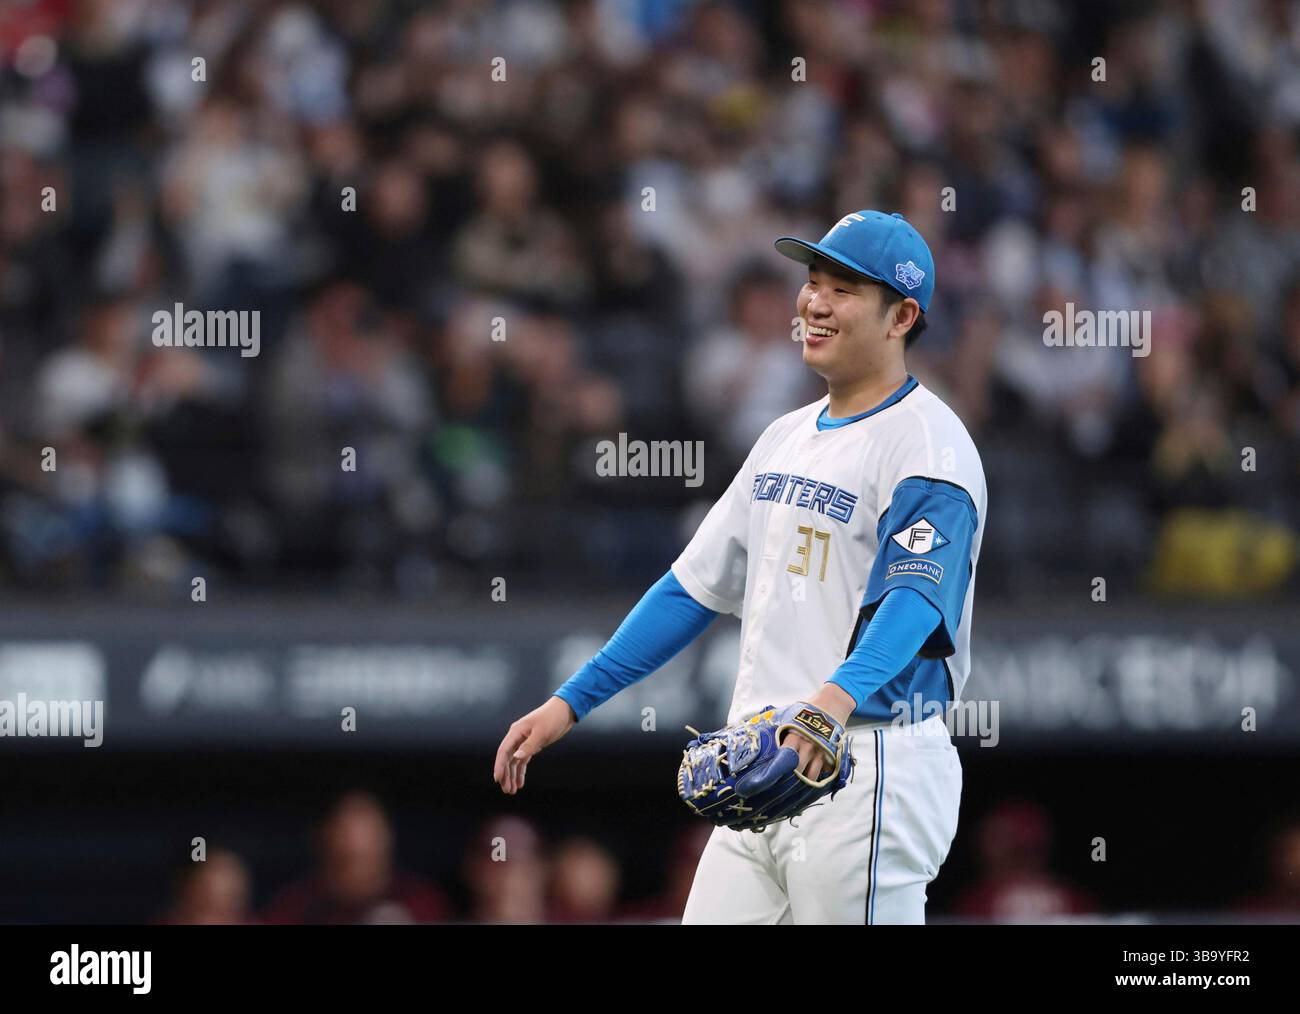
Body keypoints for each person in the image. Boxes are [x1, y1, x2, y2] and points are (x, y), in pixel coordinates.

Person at [494, 210, 985, 924]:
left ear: (901, 315)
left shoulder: (929, 447)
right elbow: (690, 589)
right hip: (765, 766)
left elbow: (913, 604)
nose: (814, 301)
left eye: (844, 289)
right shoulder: (784, 437)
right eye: (813, 281)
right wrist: (572, 700)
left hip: (872, 766)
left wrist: (831, 703)